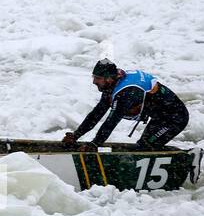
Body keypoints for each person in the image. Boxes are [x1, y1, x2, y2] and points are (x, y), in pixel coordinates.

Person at [62, 60, 190, 149]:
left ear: (109, 78)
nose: (94, 81)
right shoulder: (112, 86)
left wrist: (95, 144)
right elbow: (96, 114)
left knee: (147, 147)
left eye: (98, 78)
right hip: (160, 117)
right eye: (93, 77)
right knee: (144, 145)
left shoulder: (127, 92)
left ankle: (185, 159)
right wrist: (76, 135)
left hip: (175, 118)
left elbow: (111, 121)